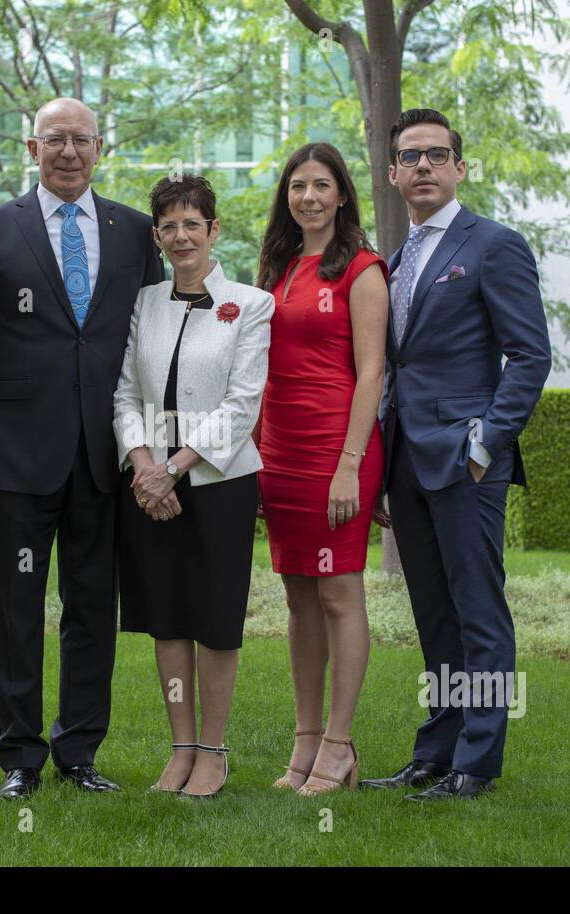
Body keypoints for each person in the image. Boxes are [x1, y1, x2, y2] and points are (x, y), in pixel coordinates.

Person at [0, 98, 164, 800]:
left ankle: (79, 750)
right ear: (31, 147)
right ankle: (19, 754)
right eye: (55, 140)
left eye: (80, 140)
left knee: (91, 606)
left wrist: (155, 447)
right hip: (16, 457)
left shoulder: (135, 232)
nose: (68, 152)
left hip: (104, 456)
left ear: (99, 148)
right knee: (15, 606)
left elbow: (152, 346)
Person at [360, 108, 551, 801]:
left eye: (436, 155)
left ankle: (477, 761)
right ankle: (434, 751)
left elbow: (530, 355)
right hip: (408, 461)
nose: (423, 167)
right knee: (434, 615)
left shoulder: (494, 244)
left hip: (466, 463)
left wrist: (484, 443)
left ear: (460, 167)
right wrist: (381, 468)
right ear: (392, 173)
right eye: (409, 157)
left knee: (478, 610)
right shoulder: (399, 257)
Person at [113, 175, 272, 798]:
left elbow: (242, 404)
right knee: (167, 618)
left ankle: (213, 750)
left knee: (215, 617)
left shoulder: (252, 304)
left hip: (219, 482)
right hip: (149, 483)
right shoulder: (142, 302)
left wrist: (174, 467)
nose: (182, 236)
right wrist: (144, 464)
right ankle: (180, 748)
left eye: (192, 225)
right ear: (157, 237)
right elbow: (125, 391)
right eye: (170, 227)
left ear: (214, 231)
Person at [256, 143, 389, 796]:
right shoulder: (277, 267)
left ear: (342, 194)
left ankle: (340, 747)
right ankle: (305, 742)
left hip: (338, 451)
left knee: (339, 593)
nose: (308, 196)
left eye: (321, 185)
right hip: (279, 451)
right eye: (298, 186)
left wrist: (348, 466)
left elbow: (372, 374)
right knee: (298, 597)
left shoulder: (361, 269)